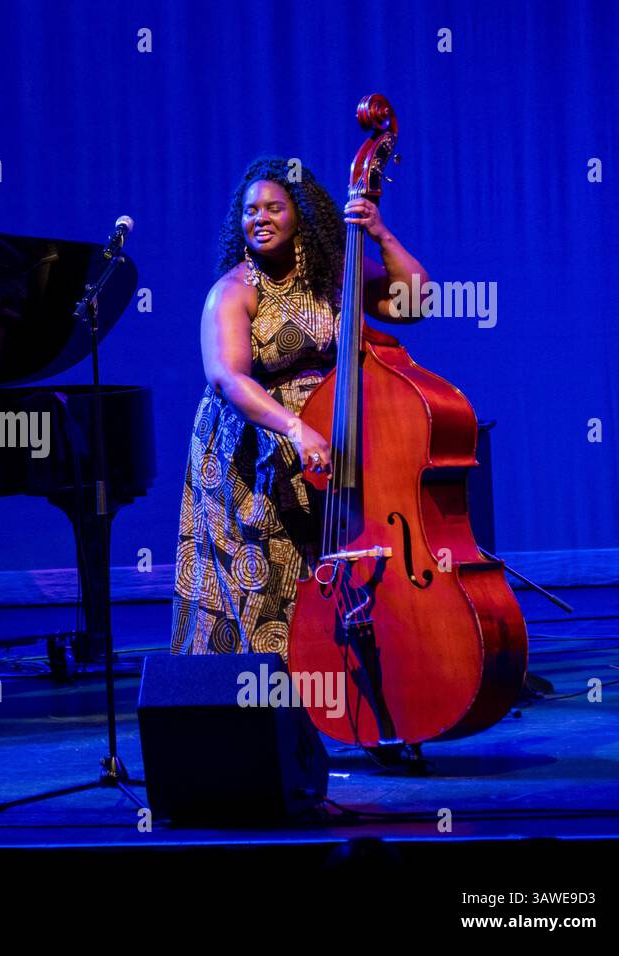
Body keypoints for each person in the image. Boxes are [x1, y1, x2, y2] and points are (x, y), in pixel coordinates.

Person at [171, 157, 428, 662]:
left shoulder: (335, 274)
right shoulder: (233, 290)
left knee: (330, 565)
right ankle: (266, 706)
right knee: (264, 579)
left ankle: (350, 681)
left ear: (300, 216)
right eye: (250, 211)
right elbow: (227, 377)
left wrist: (380, 234)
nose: (259, 218)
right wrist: (295, 429)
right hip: (255, 444)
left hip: (331, 439)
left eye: (273, 207)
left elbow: (416, 302)